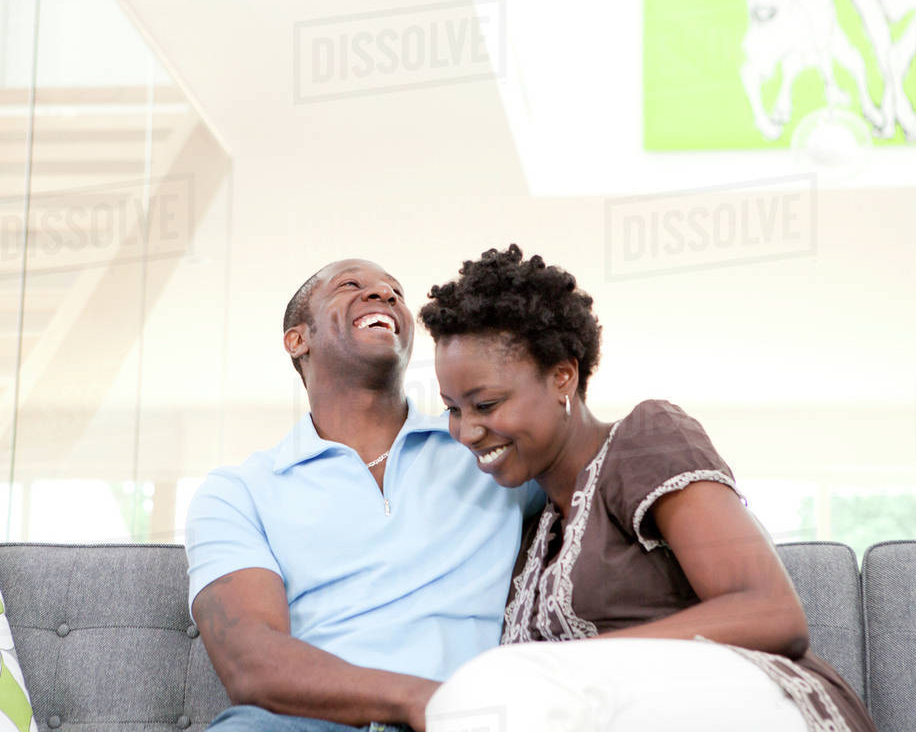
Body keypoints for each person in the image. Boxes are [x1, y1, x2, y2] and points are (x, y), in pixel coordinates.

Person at [418, 245, 876, 732]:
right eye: (453, 409)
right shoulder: (530, 528)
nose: (466, 431)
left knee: (493, 685)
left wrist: (559, 667)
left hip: (753, 700)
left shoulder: (644, 440)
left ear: (562, 376)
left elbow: (771, 614)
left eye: (485, 404)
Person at [184, 259, 541, 732]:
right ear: (298, 339)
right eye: (351, 285)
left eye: (395, 292)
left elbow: (601, 475)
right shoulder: (238, 492)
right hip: (319, 723)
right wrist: (426, 700)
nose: (385, 296)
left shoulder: (487, 450)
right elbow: (252, 663)